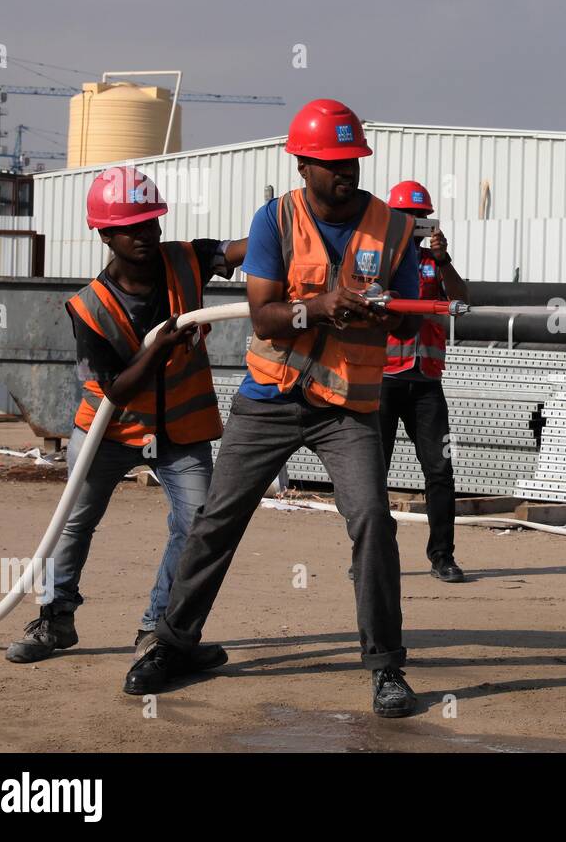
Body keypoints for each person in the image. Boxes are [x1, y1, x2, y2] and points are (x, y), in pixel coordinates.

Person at [123, 98, 425, 719]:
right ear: (303, 165)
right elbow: (262, 317)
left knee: (372, 520)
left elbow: (405, 327)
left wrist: (388, 312)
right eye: (334, 163)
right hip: (271, 399)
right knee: (215, 520)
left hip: (347, 407)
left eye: (353, 162)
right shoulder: (274, 221)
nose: (347, 173)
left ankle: (386, 666)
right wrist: (321, 306)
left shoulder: (394, 230)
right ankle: (176, 643)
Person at [6, 167, 245, 666]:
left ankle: (159, 629)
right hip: (107, 432)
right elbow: (116, 388)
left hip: (181, 432)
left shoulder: (187, 259)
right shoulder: (89, 308)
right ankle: (55, 620)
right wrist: (158, 349)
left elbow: (237, 251)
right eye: (132, 227)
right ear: (105, 234)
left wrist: (282, 224)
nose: (146, 235)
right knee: (73, 524)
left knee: (197, 521)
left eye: (152, 222)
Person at [381, 180, 470, 583]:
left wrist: (445, 258)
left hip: (426, 382)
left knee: (440, 470)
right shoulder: (378, 258)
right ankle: (370, 555)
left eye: (421, 218)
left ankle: (442, 556)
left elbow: (462, 299)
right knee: (371, 474)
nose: (415, 223)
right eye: (407, 217)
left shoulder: (435, 263)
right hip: (383, 380)